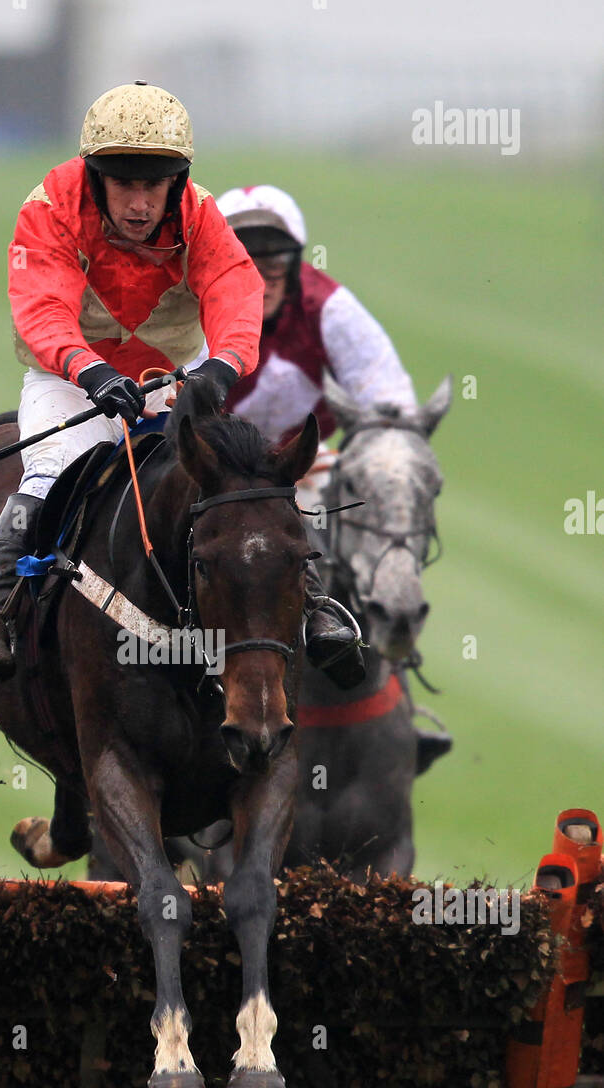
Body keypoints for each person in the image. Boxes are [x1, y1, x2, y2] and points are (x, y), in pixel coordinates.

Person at [0, 87, 362, 696]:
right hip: (71, 380)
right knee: (50, 468)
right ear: (94, 178)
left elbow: (232, 288)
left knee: (243, 477)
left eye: (155, 186)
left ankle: (318, 607)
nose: (141, 205)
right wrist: (89, 372)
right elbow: (42, 306)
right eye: (124, 186)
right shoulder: (49, 208)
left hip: (175, 376)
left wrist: (222, 367)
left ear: (178, 180)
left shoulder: (198, 211)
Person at [215, 184, 452, 766]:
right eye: (246, 260)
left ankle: (393, 688)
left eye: (274, 260)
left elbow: (388, 402)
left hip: (307, 471)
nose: (262, 275)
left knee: (377, 494)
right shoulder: (187, 309)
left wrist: (357, 452)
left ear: (296, 261)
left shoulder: (331, 308)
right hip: (210, 480)